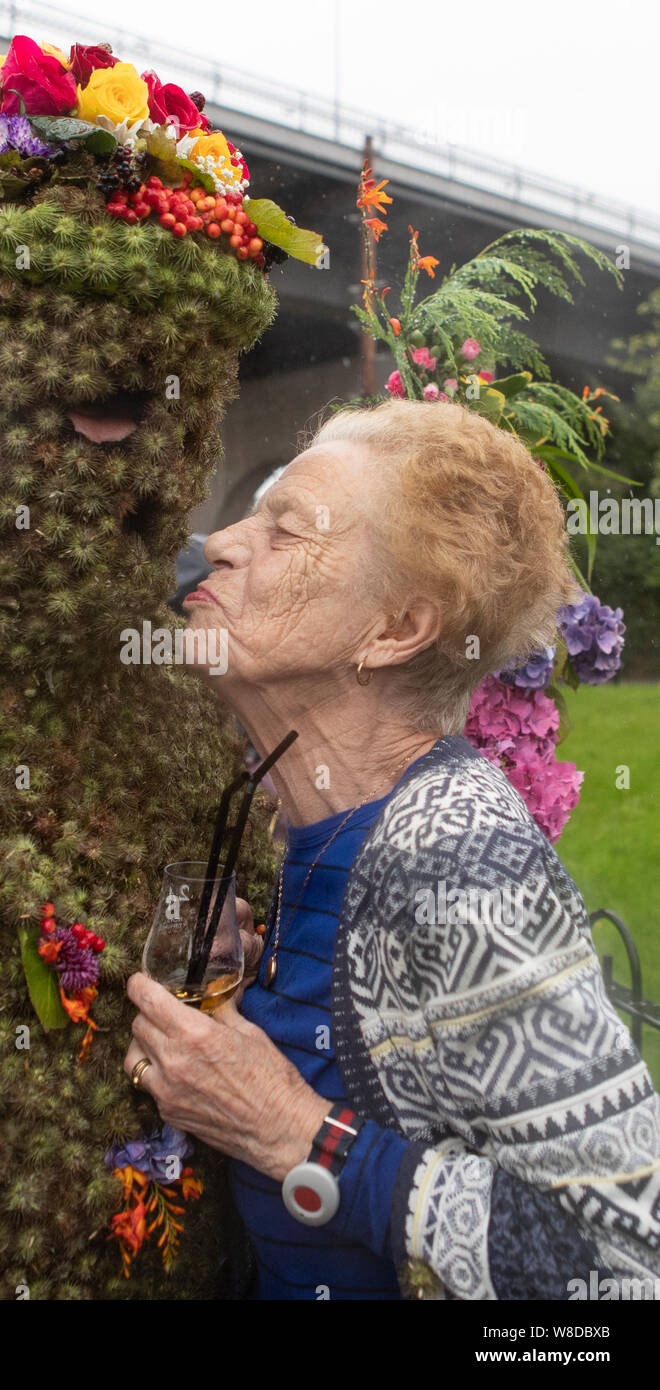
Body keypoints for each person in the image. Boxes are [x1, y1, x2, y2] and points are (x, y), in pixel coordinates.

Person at [123, 398, 660, 1300]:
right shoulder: (314, 824)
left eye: (285, 531)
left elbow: (625, 1274)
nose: (220, 542)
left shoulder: (458, 862)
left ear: (395, 630)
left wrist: (291, 1129)